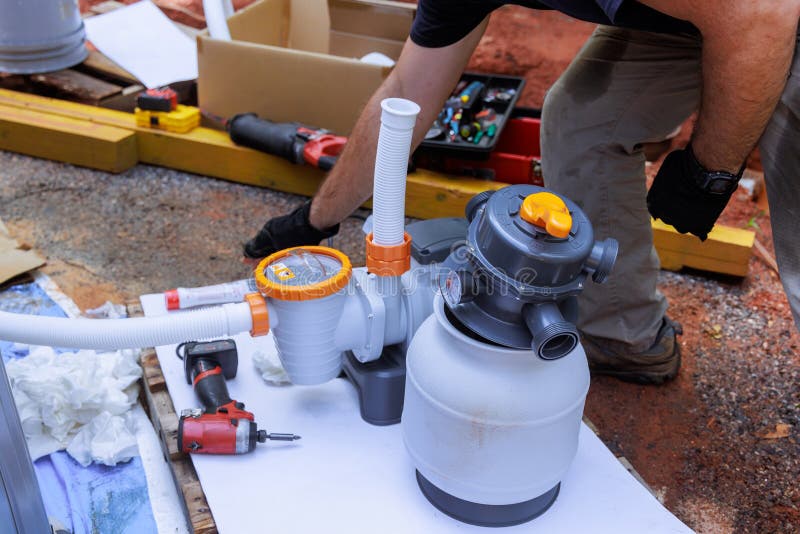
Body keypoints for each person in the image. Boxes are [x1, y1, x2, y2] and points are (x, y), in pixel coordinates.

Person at [242, 0, 800, 384]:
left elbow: (763, 16)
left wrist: (711, 169)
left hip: (769, 18)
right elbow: (408, 90)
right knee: (586, 120)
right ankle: (623, 336)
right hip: (712, 14)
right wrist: (317, 219)